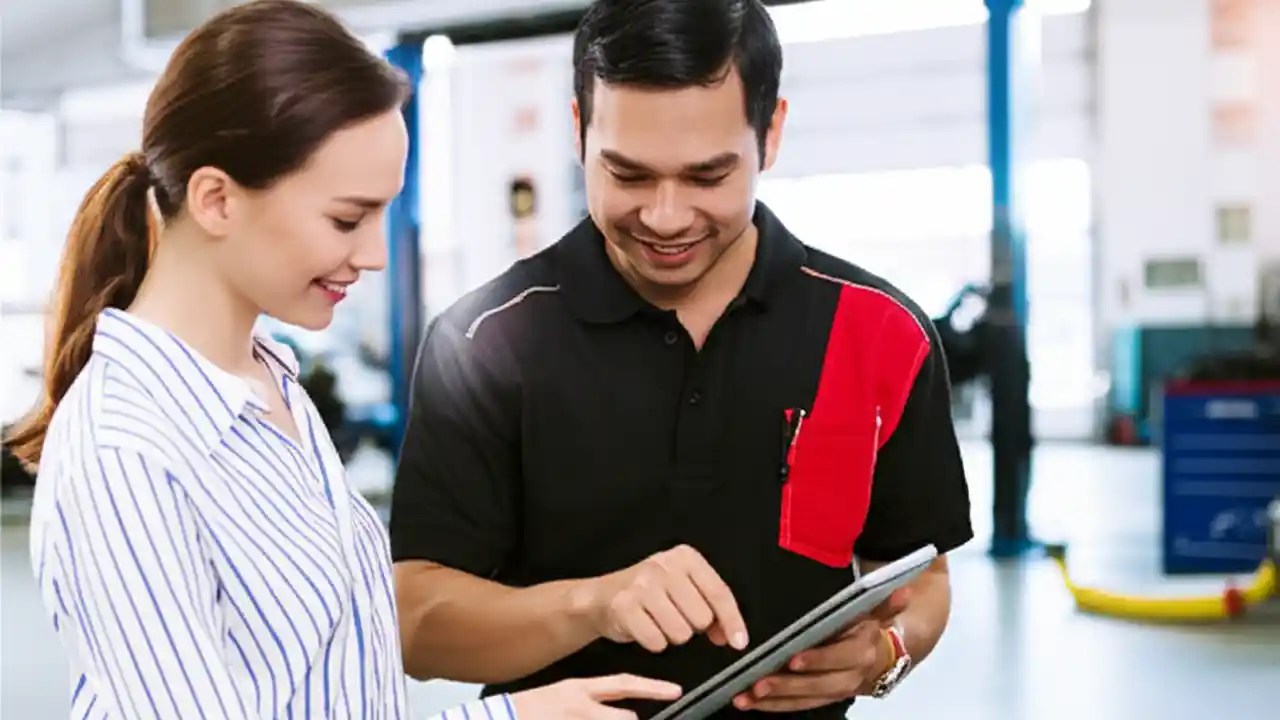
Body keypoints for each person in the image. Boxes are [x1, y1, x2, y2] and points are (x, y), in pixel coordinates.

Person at [7, 1, 682, 718]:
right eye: (346, 218)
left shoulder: (272, 389)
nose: (374, 254)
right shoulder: (125, 448)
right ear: (216, 200)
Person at [389, 0, 973, 717]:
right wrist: (595, 606)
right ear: (578, 130)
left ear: (771, 132)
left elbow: (921, 576)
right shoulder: (483, 342)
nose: (665, 218)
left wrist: (886, 654)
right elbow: (415, 624)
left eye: (707, 177)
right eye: (628, 175)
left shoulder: (883, 332)